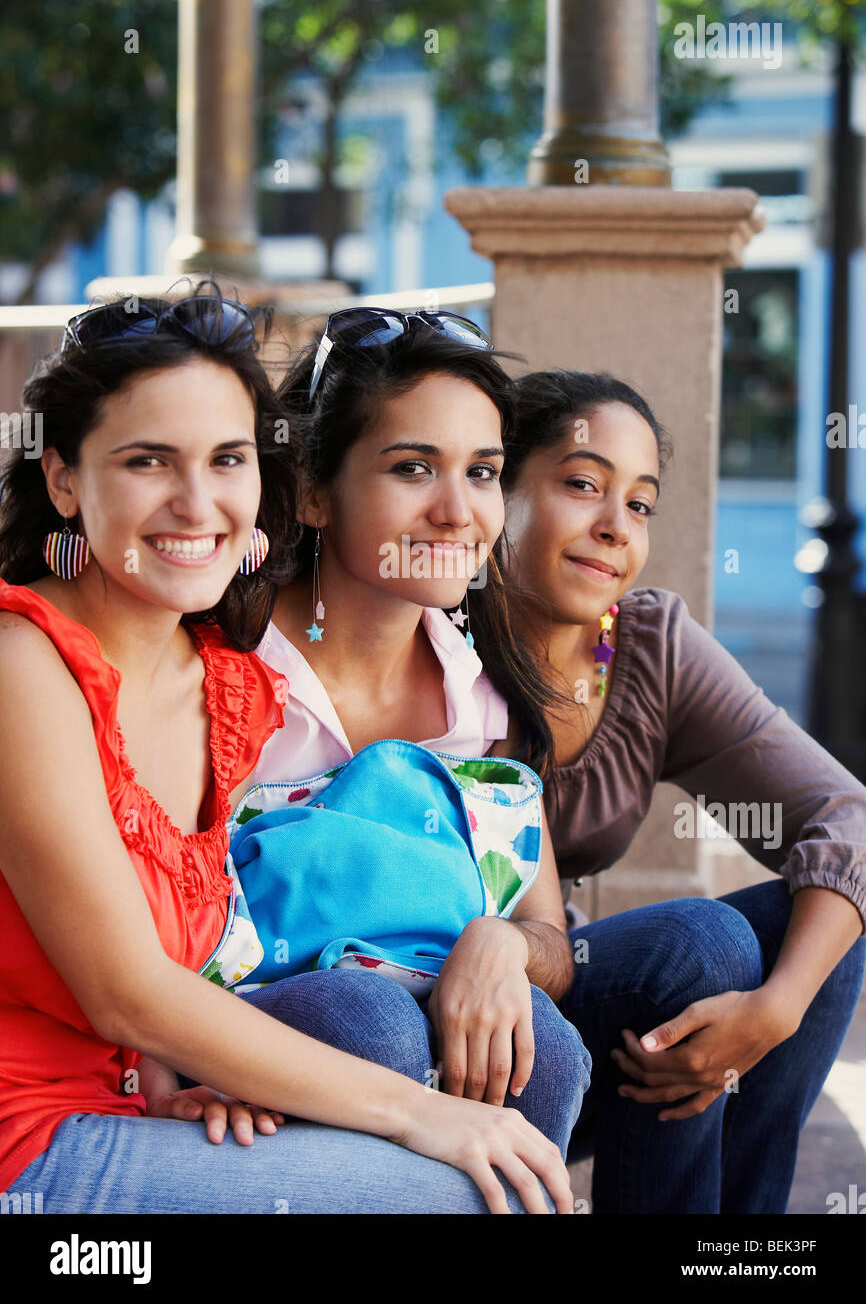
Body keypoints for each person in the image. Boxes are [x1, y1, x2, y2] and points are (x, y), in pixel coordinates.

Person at [0, 286, 575, 1215]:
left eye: (227, 459)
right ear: (65, 479)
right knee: (461, 1189)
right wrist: (416, 1115)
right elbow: (124, 991)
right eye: (149, 460)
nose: (197, 502)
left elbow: (177, 983)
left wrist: (166, 1078)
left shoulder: (228, 690)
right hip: (25, 1143)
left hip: (130, 1114)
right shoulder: (22, 662)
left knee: (519, 1116)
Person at [498, 367, 866, 1214]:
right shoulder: (435, 635)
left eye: (639, 504)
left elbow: (842, 817)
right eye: (583, 485)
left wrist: (776, 1010)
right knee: (699, 947)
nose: (613, 528)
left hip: (579, 1015)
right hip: (457, 1025)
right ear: (500, 488)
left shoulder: (638, 646)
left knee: (815, 930)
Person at [235, 308, 590, 1158]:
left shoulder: (482, 692)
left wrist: (499, 942)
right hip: (250, 1027)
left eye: (482, 472)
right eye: (412, 468)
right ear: (314, 492)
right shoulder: (224, 670)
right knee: (374, 1024)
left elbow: (553, 938)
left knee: (545, 1049)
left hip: (432, 1003)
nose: (456, 510)